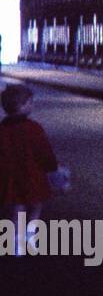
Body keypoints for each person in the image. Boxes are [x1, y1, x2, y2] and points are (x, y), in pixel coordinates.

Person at [0, 83, 58, 255]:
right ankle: (29, 236)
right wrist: (51, 167)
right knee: (36, 205)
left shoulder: (2, 130)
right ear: (23, 106)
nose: (32, 105)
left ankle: (15, 242)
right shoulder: (33, 129)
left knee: (17, 208)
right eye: (30, 102)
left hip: (10, 176)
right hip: (32, 175)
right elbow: (44, 151)